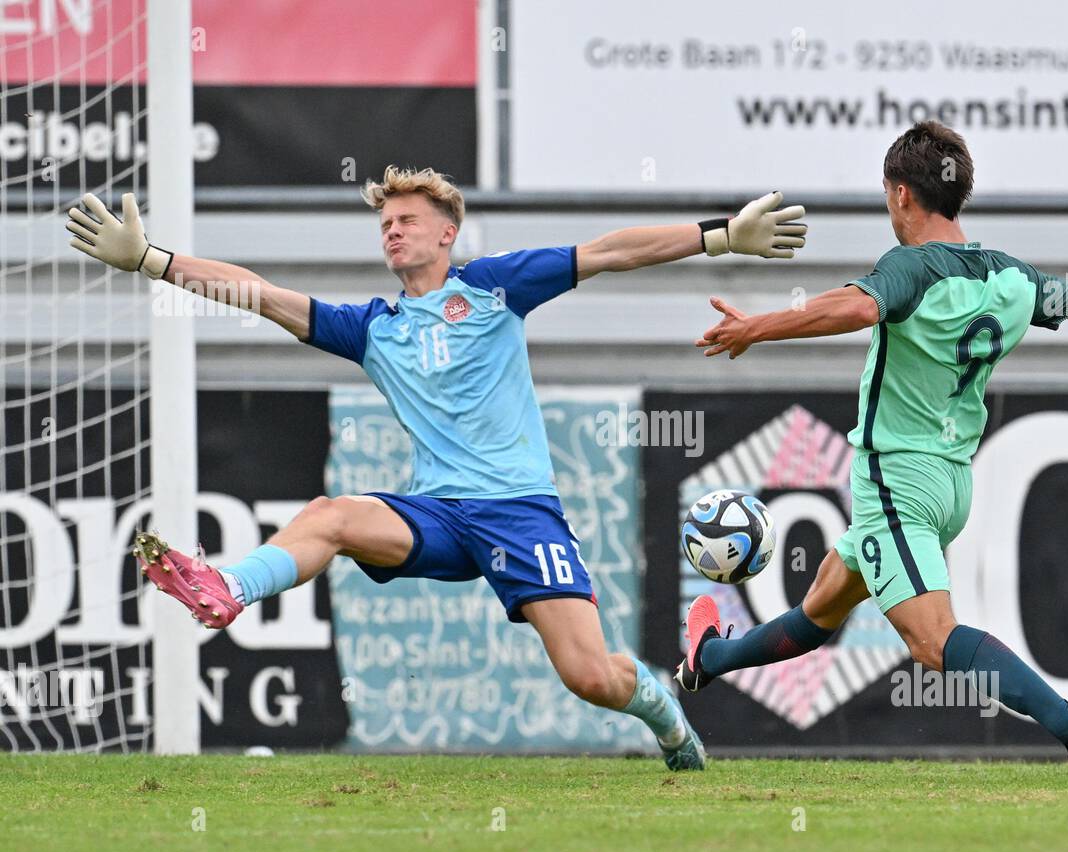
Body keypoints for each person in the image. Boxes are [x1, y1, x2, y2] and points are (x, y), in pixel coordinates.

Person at [66, 169, 808, 771]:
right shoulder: (371, 328)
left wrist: (721, 236)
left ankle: (660, 706)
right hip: (439, 515)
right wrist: (151, 260)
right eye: (385, 223)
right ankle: (229, 587)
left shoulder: (494, 285)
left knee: (591, 677)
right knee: (331, 514)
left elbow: (612, 250)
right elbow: (259, 296)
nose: (392, 229)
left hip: (520, 511)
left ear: (446, 234)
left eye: (407, 219)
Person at [678, 120, 1068, 784]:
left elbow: (854, 311)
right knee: (823, 604)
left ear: (902, 194)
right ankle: (710, 660)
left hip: (895, 481)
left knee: (932, 639)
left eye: (887, 195)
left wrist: (756, 327)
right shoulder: (1011, 280)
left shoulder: (909, 268)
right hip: (949, 485)